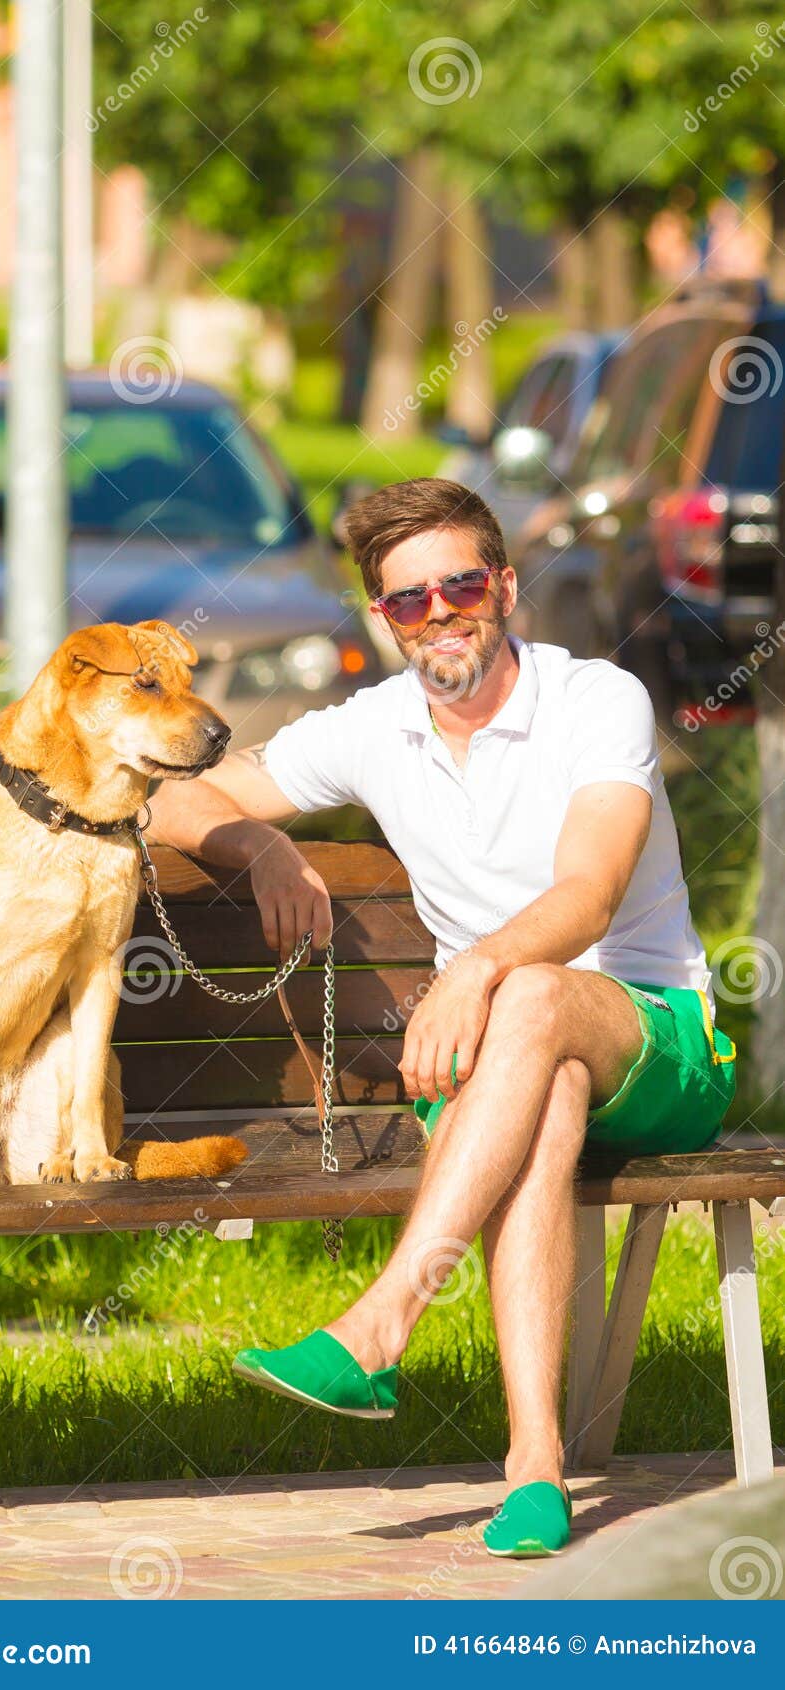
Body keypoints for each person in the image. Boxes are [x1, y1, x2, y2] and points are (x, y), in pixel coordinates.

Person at [146, 478, 735, 1558]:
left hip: (658, 1041)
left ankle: (382, 1321)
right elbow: (172, 797)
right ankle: (537, 1474)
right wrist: (266, 846)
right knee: (542, 1081)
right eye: (410, 600)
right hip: (510, 1069)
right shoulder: (376, 729)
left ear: (503, 585)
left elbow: (590, 896)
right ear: (385, 618)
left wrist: (474, 972)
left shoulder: (595, 701)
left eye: (460, 584)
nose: (440, 614)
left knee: (536, 995)